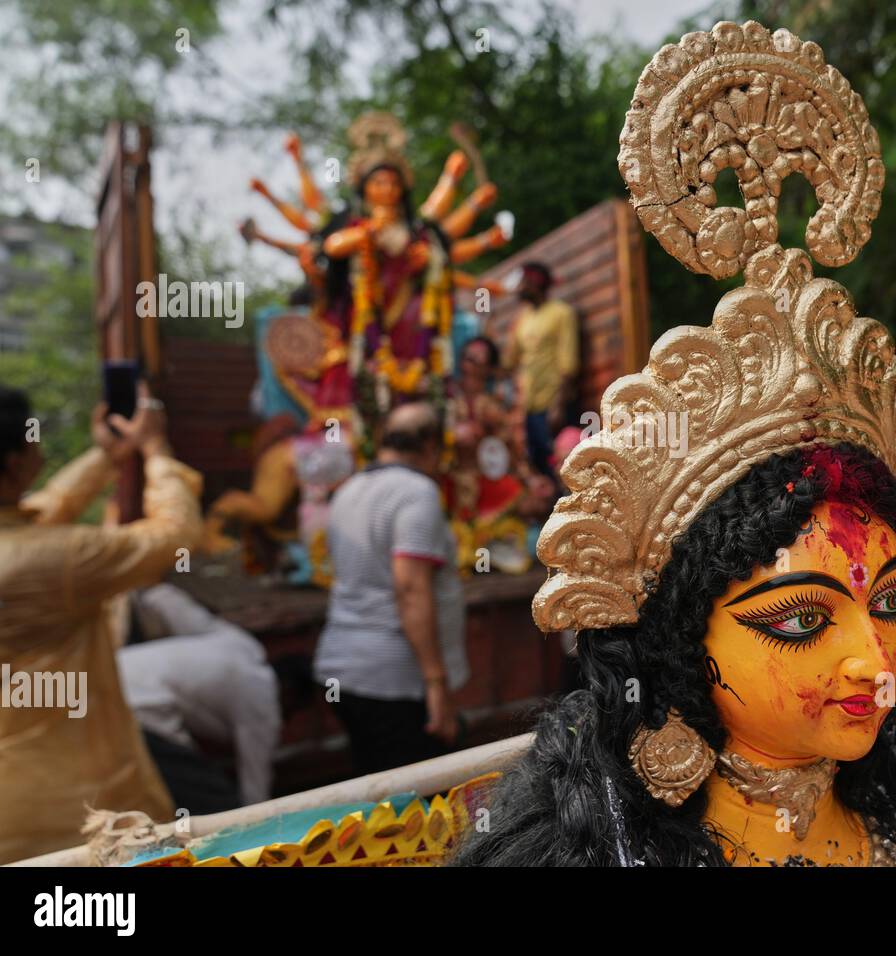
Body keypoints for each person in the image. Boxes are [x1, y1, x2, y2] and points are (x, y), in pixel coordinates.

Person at [455, 22, 896, 867]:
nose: (877, 663)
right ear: (678, 643)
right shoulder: (603, 843)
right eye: (801, 619)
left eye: (892, 602)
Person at [0, 381, 200, 865]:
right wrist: (156, 450)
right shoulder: (59, 558)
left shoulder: (20, 550)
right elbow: (174, 536)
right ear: (15, 463)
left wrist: (106, 456)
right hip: (83, 812)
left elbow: (38, 511)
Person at [313, 401, 469, 774]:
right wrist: (436, 682)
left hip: (344, 670)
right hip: (394, 679)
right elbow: (410, 588)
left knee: (377, 796)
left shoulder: (348, 489)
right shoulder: (416, 493)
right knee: (415, 811)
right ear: (431, 447)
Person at [117, 583, 282, 809]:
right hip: (141, 700)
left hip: (117, 674)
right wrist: (254, 818)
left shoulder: (233, 639)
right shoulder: (261, 698)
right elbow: (256, 776)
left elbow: (164, 600)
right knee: (204, 793)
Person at [502, 261, 578, 480]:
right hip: (529, 407)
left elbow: (569, 364)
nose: (518, 288)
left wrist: (559, 405)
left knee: (563, 466)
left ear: (535, 283)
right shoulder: (522, 319)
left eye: (523, 282)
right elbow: (510, 361)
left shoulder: (561, 313)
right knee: (540, 464)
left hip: (554, 404)